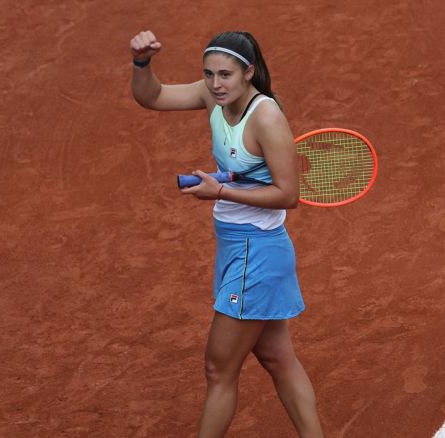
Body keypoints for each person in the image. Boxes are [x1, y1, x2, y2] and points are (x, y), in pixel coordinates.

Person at [129, 30, 324, 438]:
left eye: (225, 75)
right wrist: (142, 63)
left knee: (219, 368)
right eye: (209, 74)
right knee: (278, 359)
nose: (215, 84)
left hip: (257, 254)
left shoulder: (266, 118)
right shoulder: (212, 96)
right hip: (238, 247)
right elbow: (153, 96)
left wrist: (221, 192)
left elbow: (288, 195)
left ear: (248, 72)